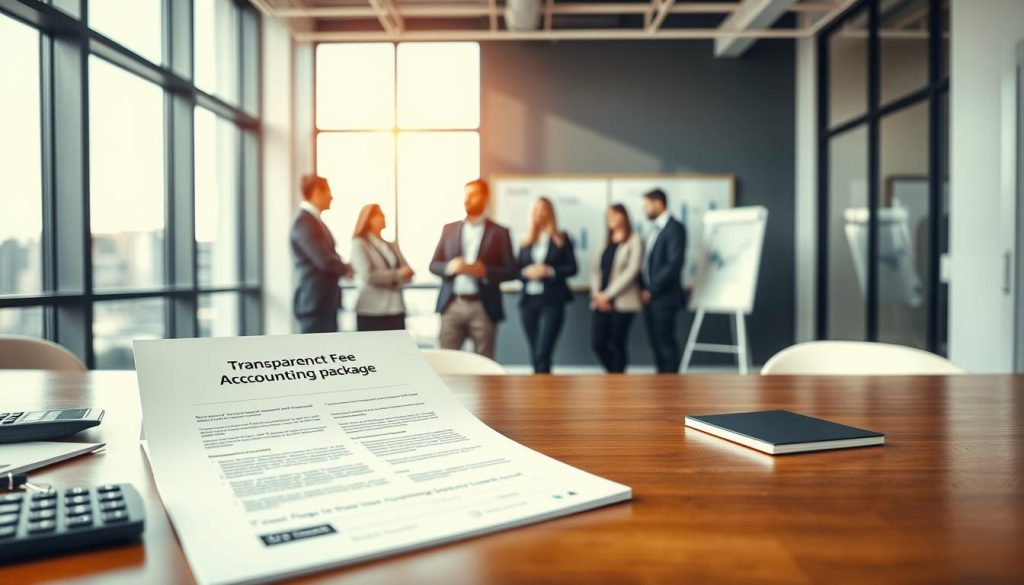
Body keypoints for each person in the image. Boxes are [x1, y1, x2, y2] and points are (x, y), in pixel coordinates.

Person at [429, 178, 517, 359]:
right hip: (452, 304)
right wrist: (449, 267)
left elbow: (511, 270)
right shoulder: (449, 229)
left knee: (484, 361)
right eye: (465, 195)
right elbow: (434, 265)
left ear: (485, 198)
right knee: (446, 360)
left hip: (483, 306)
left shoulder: (500, 232)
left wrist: (485, 272)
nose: (467, 200)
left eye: (473, 195)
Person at [517, 197, 577, 373]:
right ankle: (539, 389)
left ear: (550, 212)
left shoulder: (562, 238)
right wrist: (525, 273)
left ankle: (542, 392)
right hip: (528, 302)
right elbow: (516, 270)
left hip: (552, 301)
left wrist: (549, 271)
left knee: (543, 351)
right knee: (535, 351)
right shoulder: (526, 241)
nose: (540, 213)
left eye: (544, 209)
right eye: (536, 209)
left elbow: (572, 268)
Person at [290, 174, 352, 333]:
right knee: (315, 353)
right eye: (328, 191)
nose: (331, 196)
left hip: (323, 303)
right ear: (317, 191)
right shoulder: (305, 222)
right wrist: (346, 268)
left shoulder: (314, 221)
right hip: (314, 304)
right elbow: (324, 261)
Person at [589, 204, 644, 373]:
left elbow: (632, 270)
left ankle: (618, 380)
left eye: (615, 215)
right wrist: (598, 295)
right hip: (601, 301)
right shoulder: (604, 242)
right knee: (598, 343)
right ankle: (614, 375)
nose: (611, 218)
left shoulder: (634, 240)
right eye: (608, 215)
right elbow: (595, 270)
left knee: (617, 343)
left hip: (622, 301)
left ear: (624, 217)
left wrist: (608, 294)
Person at [639, 188, 687, 373]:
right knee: (656, 345)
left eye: (647, 205)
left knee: (666, 345)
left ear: (658, 203)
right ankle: (661, 386)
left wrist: (651, 289)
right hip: (650, 298)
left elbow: (674, 264)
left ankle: (672, 388)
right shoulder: (653, 229)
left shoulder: (675, 228)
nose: (644, 210)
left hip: (664, 297)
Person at [350, 204, 414, 332]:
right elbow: (368, 276)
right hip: (371, 310)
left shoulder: (392, 245)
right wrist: (397, 275)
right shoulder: (359, 243)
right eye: (380, 214)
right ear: (369, 219)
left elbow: (409, 272)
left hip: (396, 308)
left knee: (395, 350)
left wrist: (394, 276)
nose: (384, 217)